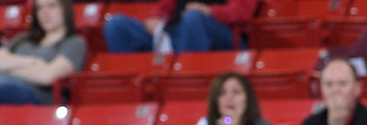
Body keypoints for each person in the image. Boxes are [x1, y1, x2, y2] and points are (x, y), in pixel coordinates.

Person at [0, 0, 84, 105]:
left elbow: (48, 77)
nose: (45, 13)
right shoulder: (23, 38)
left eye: (51, 6)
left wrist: (7, 67)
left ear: (65, 8)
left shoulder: (74, 42)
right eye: (39, 8)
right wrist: (33, 62)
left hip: (32, 93)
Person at [104, 0, 254, 52]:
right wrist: (155, 18)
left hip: (222, 33)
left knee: (193, 18)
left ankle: (186, 80)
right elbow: (164, 6)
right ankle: (130, 90)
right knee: (116, 25)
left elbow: (242, 12)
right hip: (178, 33)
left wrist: (209, 11)